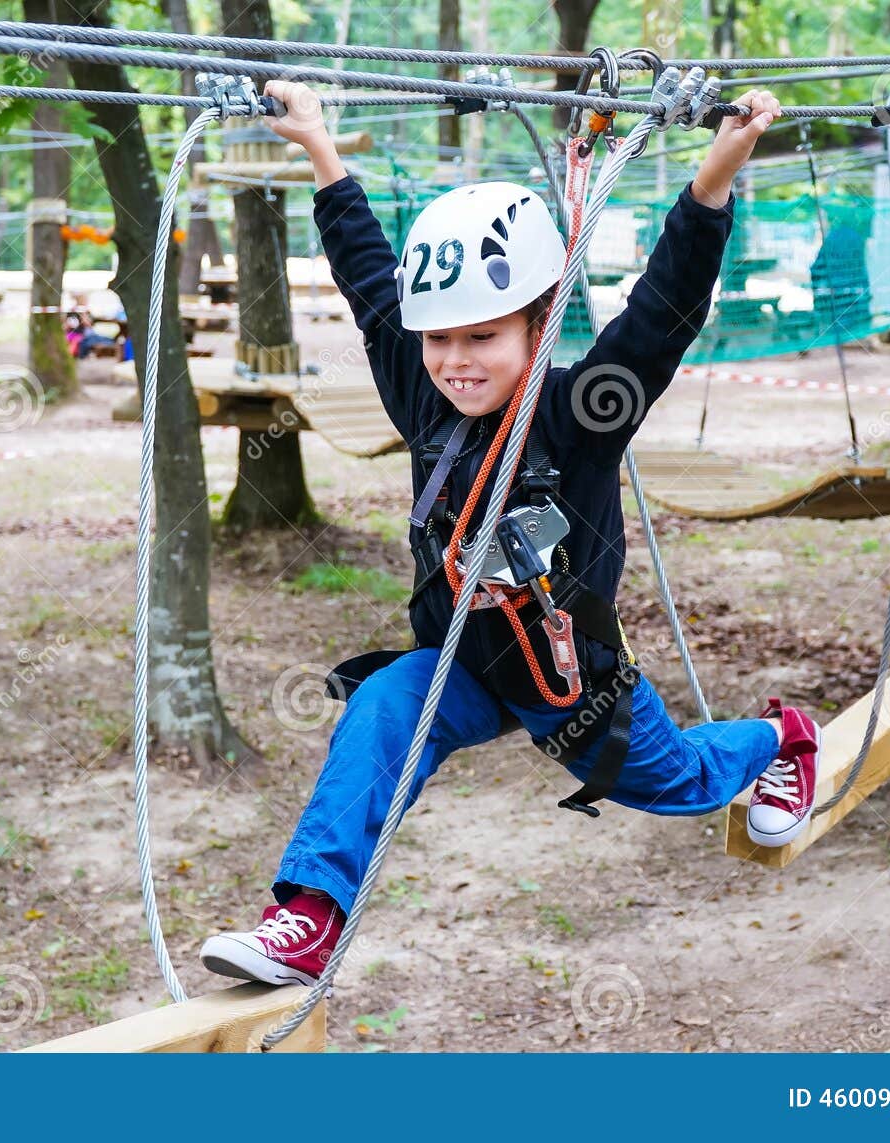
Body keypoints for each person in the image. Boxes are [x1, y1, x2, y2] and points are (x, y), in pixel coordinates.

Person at [198, 82, 821, 990]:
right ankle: (310, 917)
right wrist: (321, 151)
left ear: (540, 323)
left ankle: (782, 738)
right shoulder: (424, 397)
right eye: (440, 340)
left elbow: (664, 311)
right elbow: (374, 288)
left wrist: (715, 175)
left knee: (676, 781)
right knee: (380, 712)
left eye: (483, 337)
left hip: (570, 679)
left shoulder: (583, 411)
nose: (455, 361)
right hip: (460, 660)